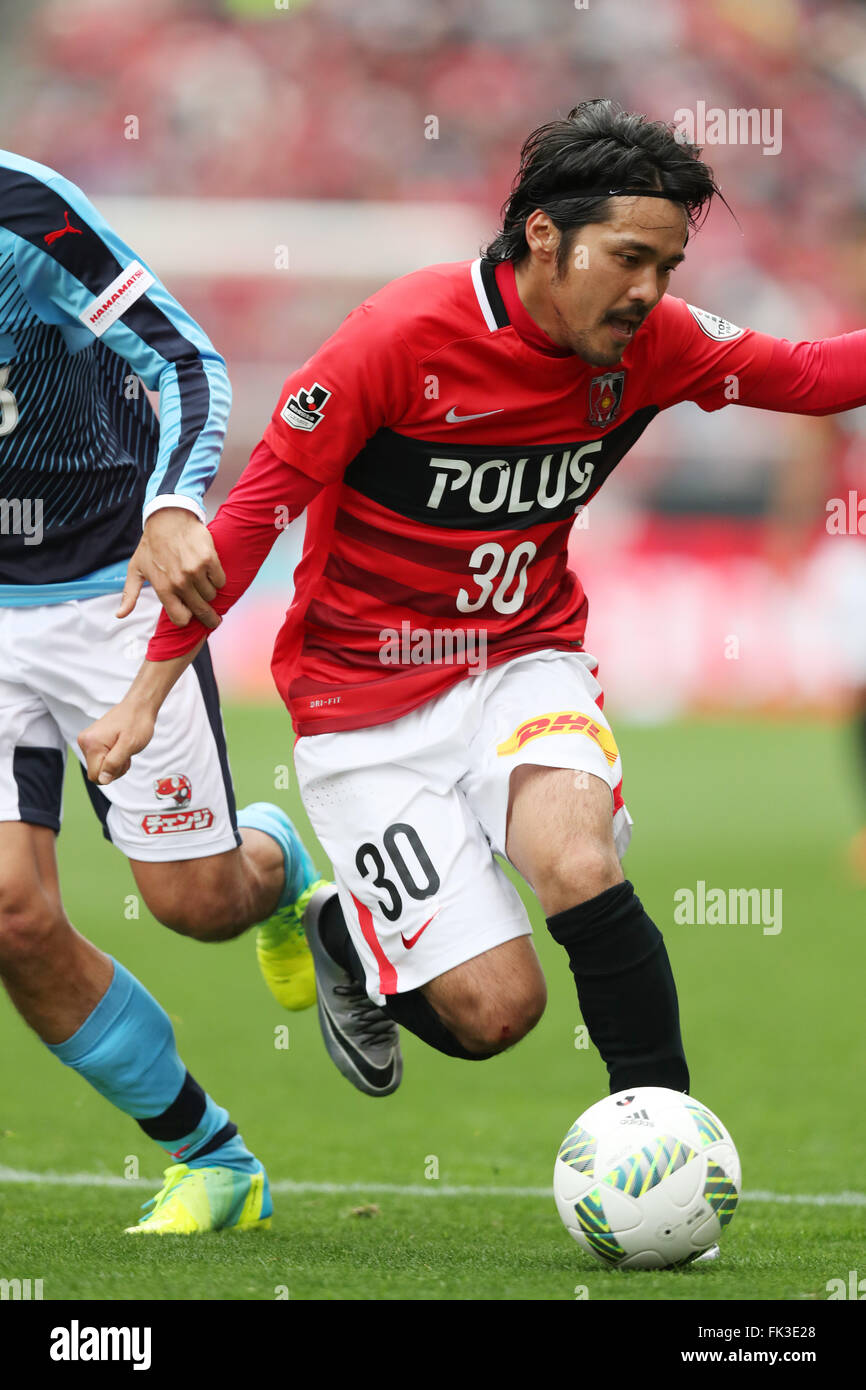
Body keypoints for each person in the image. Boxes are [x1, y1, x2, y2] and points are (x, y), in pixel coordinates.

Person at [80, 98, 866, 1113]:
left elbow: (811, 377)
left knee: (576, 861)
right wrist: (147, 693)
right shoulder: (398, 337)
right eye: (627, 258)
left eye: (665, 268)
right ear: (543, 233)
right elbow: (256, 511)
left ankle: (667, 1139)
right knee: (496, 1012)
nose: (647, 291)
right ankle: (345, 938)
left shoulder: (653, 343)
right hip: (362, 709)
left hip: (521, 660)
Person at [0, 150, 319, 1234]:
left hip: (108, 591)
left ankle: (269, 860)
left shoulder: (27, 211)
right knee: (9, 911)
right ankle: (212, 1157)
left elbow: (186, 361)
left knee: (198, 905)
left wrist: (178, 503)